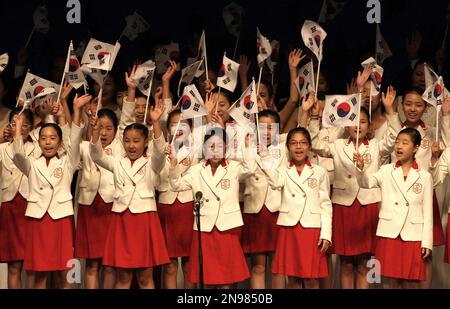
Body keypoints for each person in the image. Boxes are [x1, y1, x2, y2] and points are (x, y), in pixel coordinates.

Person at [11, 95, 89, 289]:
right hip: (38, 220)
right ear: (38, 143)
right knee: (39, 274)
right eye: (44, 139)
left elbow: (75, 139)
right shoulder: (32, 164)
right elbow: (18, 154)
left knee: (68, 273)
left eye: (53, 138)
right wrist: (19, 128)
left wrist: (75, 111)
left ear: (60, 143)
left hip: (62, 219)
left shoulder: (68, 162)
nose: (48, 142)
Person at [168, 127, 256, 288]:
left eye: (220, 146)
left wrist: (248, 147)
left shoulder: (234, 167)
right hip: (205, 228)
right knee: (207, 277)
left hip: (227, 227)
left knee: (227, 278)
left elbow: (250, 169)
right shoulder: (196, 170)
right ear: (204, 149)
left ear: (226, 148)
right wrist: (173, 166)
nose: (215, 151)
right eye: (211, 146)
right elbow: (176, 185)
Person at [355, 128, 433, 289]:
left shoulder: (424, 176)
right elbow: (366, 183)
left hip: (413, 234)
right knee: (391, 282)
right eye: (397, 142)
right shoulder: (386, 170)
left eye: (405, 143)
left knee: (412, 282)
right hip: (389, 232)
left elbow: (428, 212)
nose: (399, 146)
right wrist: (361, 169)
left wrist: (427, 242)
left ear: (416, 147)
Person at [260, 126, 332, 289]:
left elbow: (326, 205)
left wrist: (326, 233)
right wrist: (264, 156)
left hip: (311, 228)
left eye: (303, 143)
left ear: (309, 147)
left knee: (311, 279)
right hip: (289, 228)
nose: (298, 147)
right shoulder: (283, 171)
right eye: (293, 143)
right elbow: (275, 182)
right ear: (288, 148)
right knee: (292, 278)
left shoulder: (319, 172)